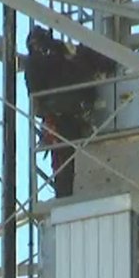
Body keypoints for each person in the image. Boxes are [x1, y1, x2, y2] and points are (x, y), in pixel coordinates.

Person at [24, 25, 118, 197]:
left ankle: (66, 194)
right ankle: (67, 193)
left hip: (64, 113)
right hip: (71, 113)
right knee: (70, 158)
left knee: (67, 160)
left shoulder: (46, 59)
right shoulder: (63, 55)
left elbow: (35, 92)